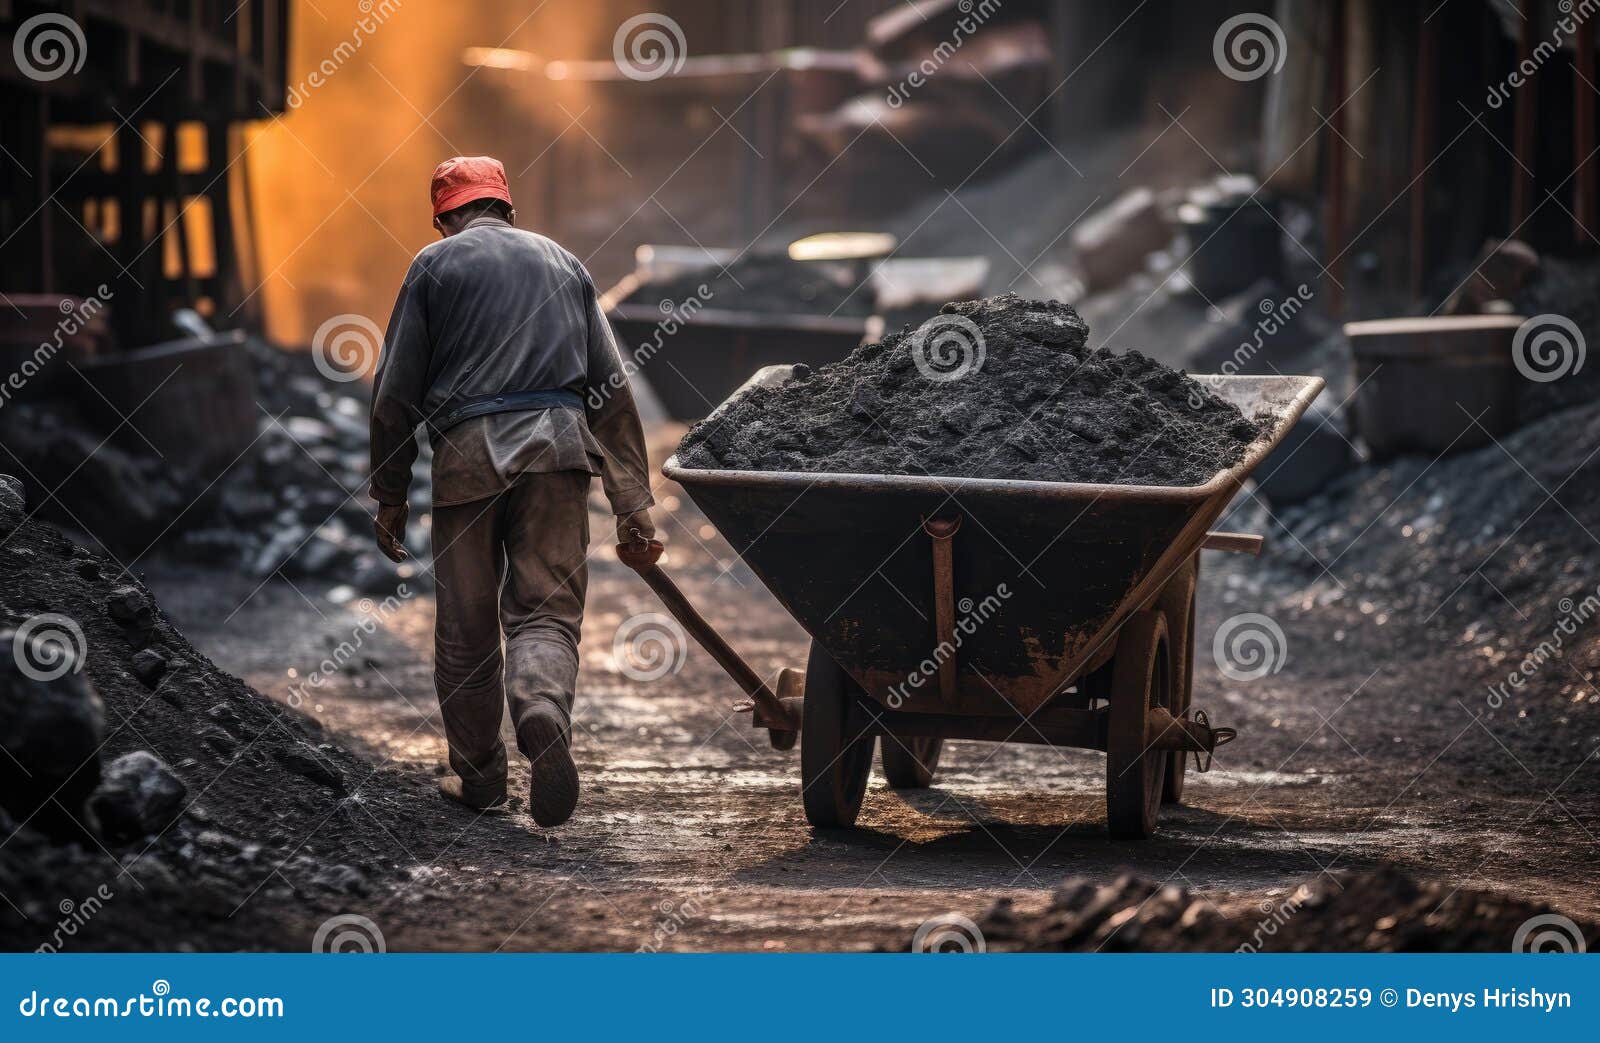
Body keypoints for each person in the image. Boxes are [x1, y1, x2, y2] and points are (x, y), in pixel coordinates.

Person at [367, 156, 655, 827]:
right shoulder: (564, 262)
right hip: (558, 454)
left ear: (445, 216)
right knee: (546, 613)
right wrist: (631, 500)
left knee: (466, 632)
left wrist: (390, 490)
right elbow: (611, 390)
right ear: (504, 205)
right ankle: (542, 711)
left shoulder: (434, 267)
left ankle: (482, 778)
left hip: (466, 463)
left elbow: (394, 394)